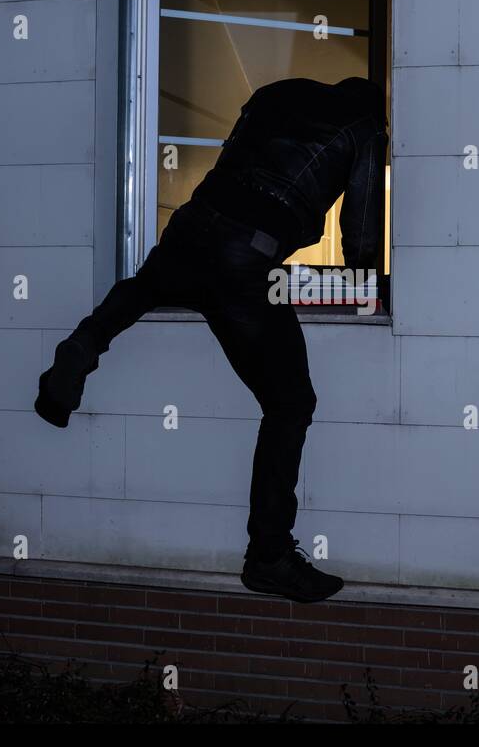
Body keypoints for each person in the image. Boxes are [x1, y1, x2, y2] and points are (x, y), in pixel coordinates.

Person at [35, 76, 388, 603]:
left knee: (146, 286)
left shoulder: (278, 90)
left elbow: (233, 159)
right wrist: (369, 284)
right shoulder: (366, 127)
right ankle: (269, 556)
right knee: (290, 404)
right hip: (248, 253)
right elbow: (360, 234)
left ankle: (82, 346)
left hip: (192, 224)